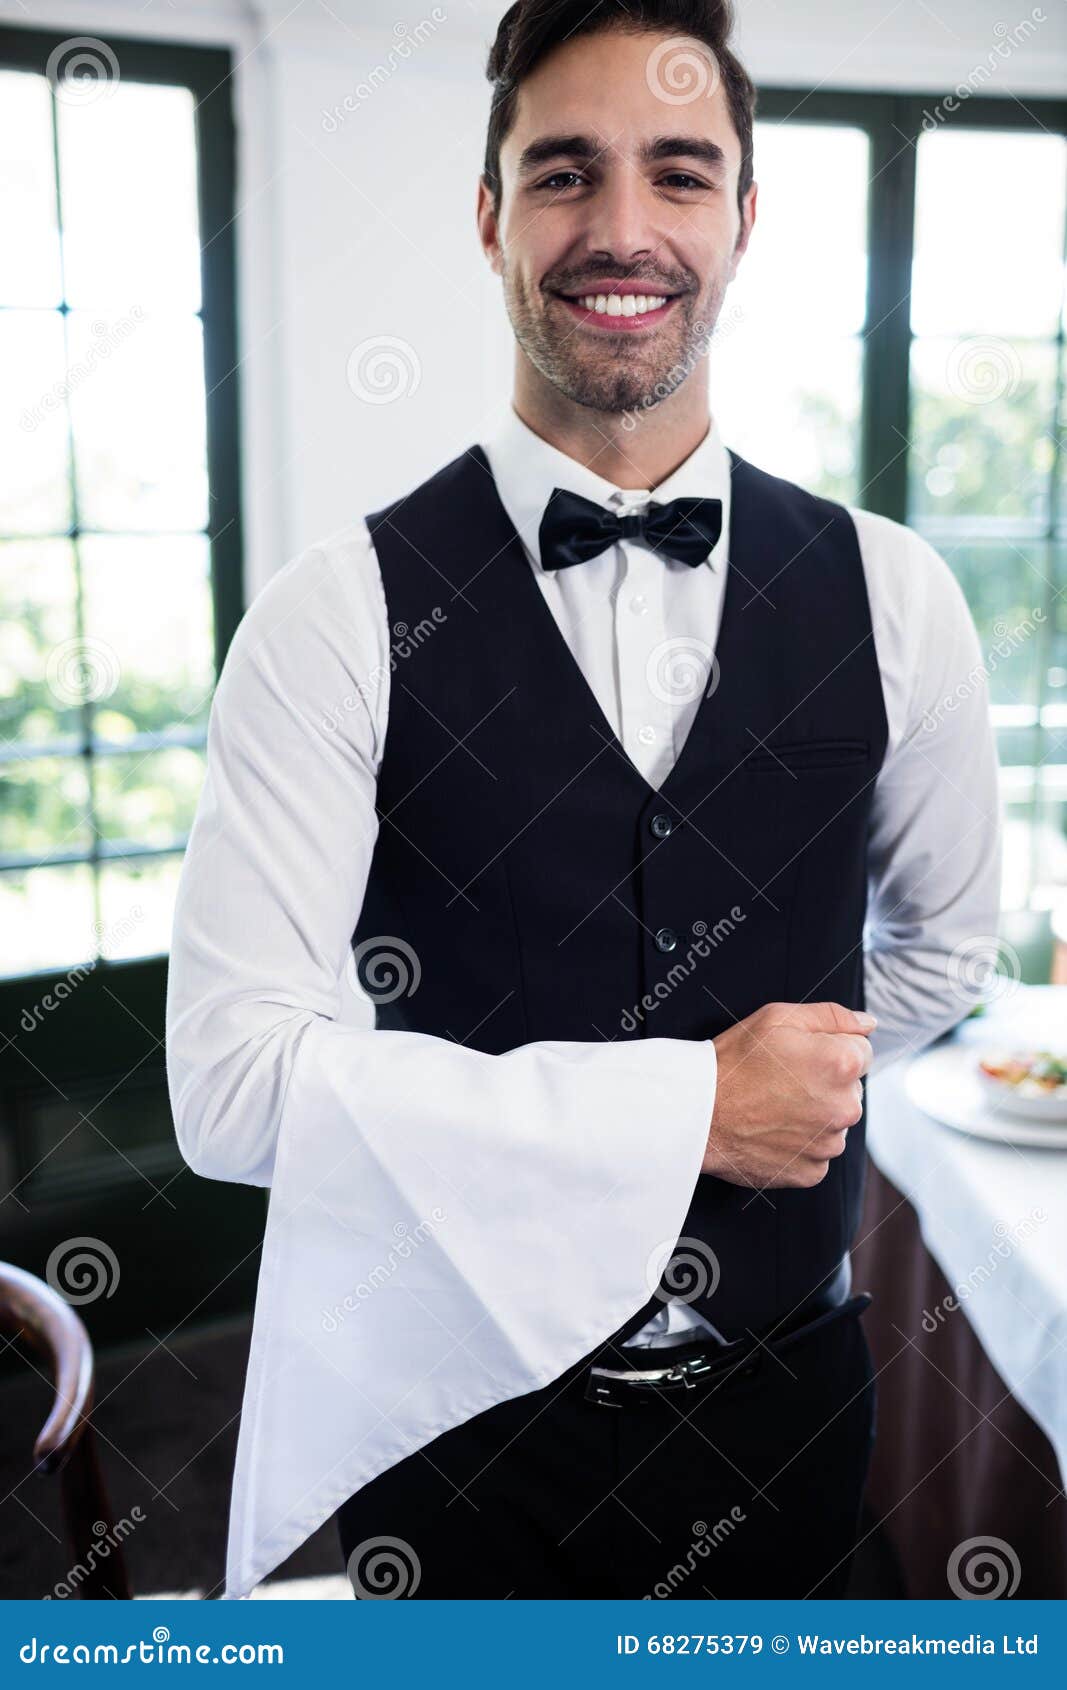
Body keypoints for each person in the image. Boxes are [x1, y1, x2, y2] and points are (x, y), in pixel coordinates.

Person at [166, 0, 1001, 1600]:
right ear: (490, 216)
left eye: (680, 175)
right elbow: (228, 1086)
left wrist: (806, 1091)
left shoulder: (899, 597)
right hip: (460, 1420)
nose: (622, 230)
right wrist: (693, 1107)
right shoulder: (334, 614)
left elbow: (945, 954)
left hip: (795, 1405)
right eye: (564, 174)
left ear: (746, 221)